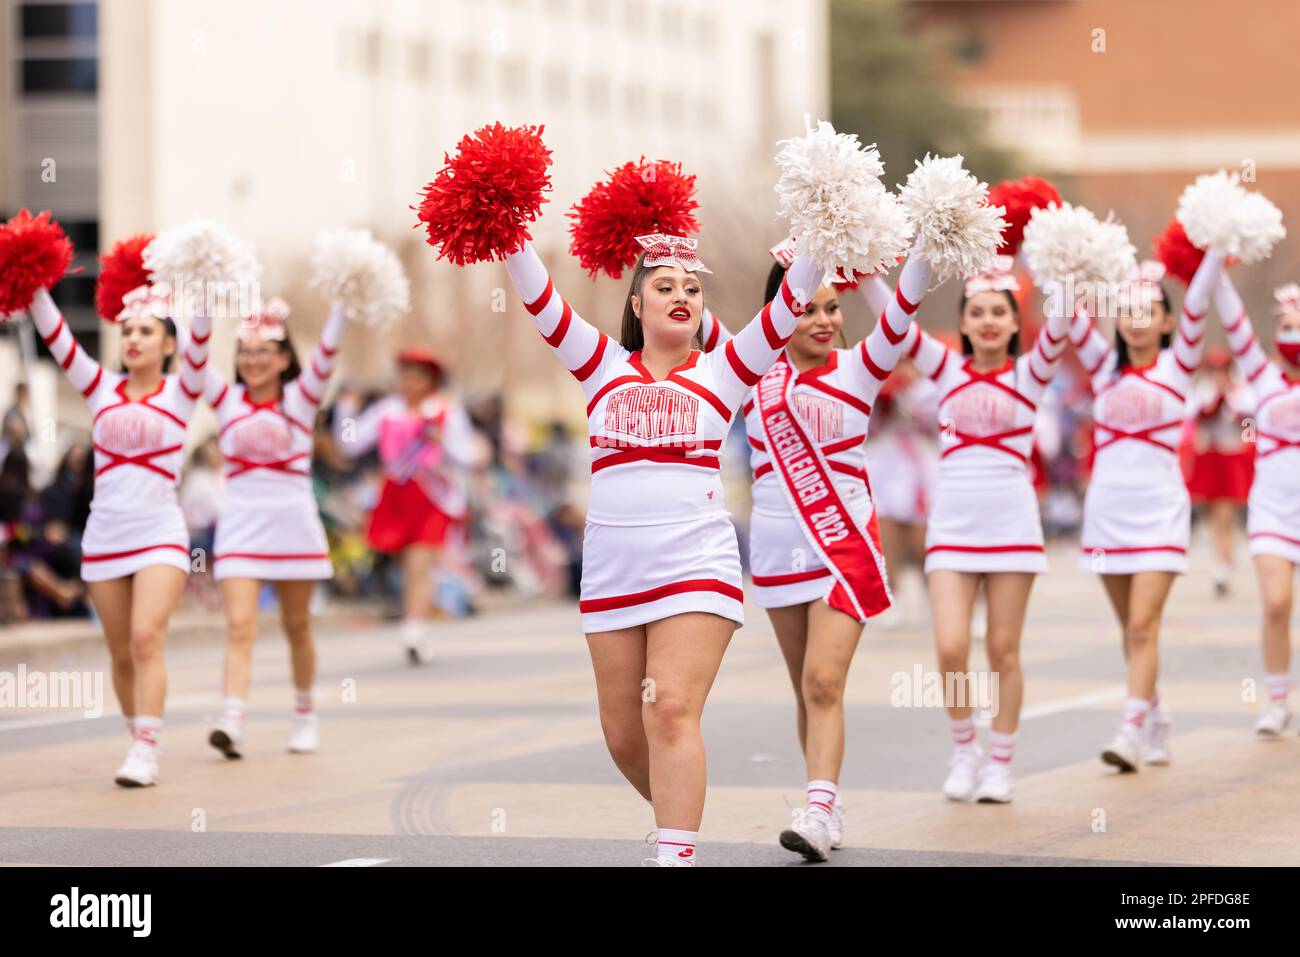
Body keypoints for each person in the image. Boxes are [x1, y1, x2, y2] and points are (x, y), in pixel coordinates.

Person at [698, 239, 932, 860]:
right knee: (806, 688)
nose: (825, 320)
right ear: (781, 312)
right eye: (809, 308)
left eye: (833, 308)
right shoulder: (749, 371)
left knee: (825, 682)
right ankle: (822, 796)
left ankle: (821, 813)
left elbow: (906, 302)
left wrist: (934, 236)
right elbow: (691, 311)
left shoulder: (861, 367)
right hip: (776, 555)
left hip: (842, 549)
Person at [24, 282, 210, 786]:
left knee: (146, 637)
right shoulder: (98, 385)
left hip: (160, 534)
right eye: (127, 330)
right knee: (121, 651)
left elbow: (202, 337)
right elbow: (57, 336)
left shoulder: (183, 390)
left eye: (146, 331)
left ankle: (146, 750)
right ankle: (139, 735)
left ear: (168, 345)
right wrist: (32, 280)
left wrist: (206, 281)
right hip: (104, 536)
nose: (132, 338)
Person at [906, 255, 1073, 803]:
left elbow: (1065, 316)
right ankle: (963, 749)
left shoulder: (1032, 372)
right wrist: (866, 270)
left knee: (1003, 648)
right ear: (963, 322)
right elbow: (895, 325)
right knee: (952, 644)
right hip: (952, 525)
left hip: (1012, 525)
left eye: (999, 311)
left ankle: (1001, 763)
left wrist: (1064, 260)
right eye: (976, 312)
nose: (987, 321)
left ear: (1014, 320)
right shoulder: (945, 368)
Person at [1068, 254, 1224, 770]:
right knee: (1131, 629)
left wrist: (1219, 245)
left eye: (1147, 309)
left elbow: (1199, 302)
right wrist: (1045, 247)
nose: (1135, 319)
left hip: (1160, 511)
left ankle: (1130, 731)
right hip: (1107, 511)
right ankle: (1156, 715)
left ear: (1167, 321)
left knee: (1141, 624)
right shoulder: (1101, 367)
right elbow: (1068, 309)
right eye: (1126, 309)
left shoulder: (1178, 366)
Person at [202, 298, 346, 758]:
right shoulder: (225, 400)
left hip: (293, 524)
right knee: (239, 626)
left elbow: (327, 351)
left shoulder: (301, 400)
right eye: (245, 351)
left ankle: (305, 715)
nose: (253, 360)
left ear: (285, 358)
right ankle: (232, 721)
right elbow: (193, 355)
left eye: (265, 351)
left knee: (297, 626)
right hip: (241, 524)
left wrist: (342, 295)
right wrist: (198, 289)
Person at [332, 348, 479, 663]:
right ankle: (417, 621)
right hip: (396, 496)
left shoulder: (445, 411)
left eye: (418, 375)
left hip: (431, 495)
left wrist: (444, 442)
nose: (410, 382)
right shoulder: (387, 409)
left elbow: (467, 456)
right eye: (405, 374)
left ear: (431, 380)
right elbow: (350, 444)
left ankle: (415, 631)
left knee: (420, 565)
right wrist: (346, 408)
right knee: (405, 567)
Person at [1213, 277, 1300, 736]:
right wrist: (1216, 257)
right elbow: (1232, 319)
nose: (1294, 336)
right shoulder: (1263, 377)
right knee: (1275, 603)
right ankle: (1278, 699)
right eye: (1287, 327)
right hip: (1273, 510)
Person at [1184, 349, 1254, 597]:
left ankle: (1222, 566)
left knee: (1226, 514)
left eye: (1222, 369)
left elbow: (1250, 427)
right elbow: (1192, 421)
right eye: (1214, 369)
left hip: (1230, 455)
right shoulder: (1202, 391)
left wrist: (1244, 438)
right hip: (1209, 456)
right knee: (1213, 515)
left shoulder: (1241, 394)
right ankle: (1221, 559)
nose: (1218, 374)